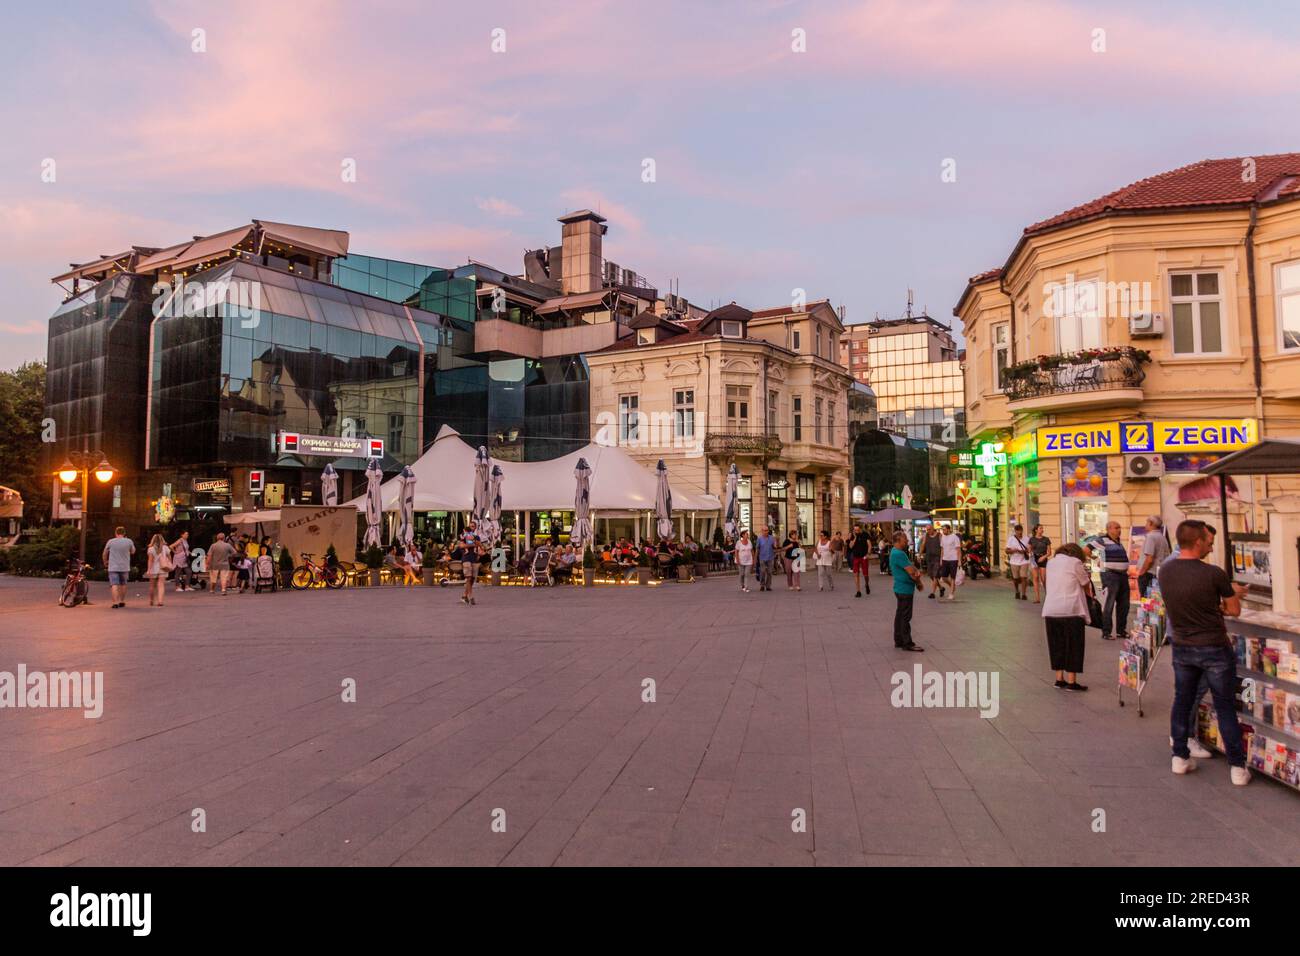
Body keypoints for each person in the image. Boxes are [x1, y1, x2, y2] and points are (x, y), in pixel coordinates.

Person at [1159, 520, 1250, 786]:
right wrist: (1219, 607)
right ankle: (1237, 767)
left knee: (1182, 700)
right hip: (1214, 647)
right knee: (1225, 706)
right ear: (1198, 541)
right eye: (1208, 542)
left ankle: (1179, 757)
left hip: (1182, 647)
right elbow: (1234, 610)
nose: (1210, 546)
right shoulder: (1214, 573)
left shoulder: (1165, 571)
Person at [1041, 542, 1092, 691]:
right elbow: (1085, 582)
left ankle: (1059, 679)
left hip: (1051, 609)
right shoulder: (1075, 562)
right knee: (1073, 645)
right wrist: (1090, 597)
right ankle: (1071, 682)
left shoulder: (1051, 563)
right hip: (1071, 610)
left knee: (1056, 644)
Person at [1091, 521, 1131, 638]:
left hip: (1122, 575)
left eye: (1120, 527)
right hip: (1110, 575)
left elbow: (1105, 554)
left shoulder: (1118, 541)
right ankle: (1106, 631)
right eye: (1117, 527)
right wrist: (1096, 559)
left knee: (1124, 604)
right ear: (1109, 529)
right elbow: (1086, 550)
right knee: (1109, 603)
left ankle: (1121, 630)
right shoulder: (1102, 540)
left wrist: (1102, 559)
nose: (1119, 530)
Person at [888, 532, 924, 652]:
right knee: (905, 616)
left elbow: (910, 567)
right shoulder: (899, 554)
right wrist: (918, 581)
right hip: (905, 589)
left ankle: (898, 640)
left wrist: (915, 570)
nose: (907, 542)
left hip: (899, 588)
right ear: (898, 540)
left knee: (900, 615)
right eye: (905, 540)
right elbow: (911, 572)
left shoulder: (895, 552)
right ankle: (907, 642)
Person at [102, 526, 136, 609]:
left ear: (116, 533)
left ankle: (115, 602)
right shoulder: (129, 541)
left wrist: (105, 562)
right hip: (124, 566)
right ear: (124, 533)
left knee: (114, 584)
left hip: (113, 566)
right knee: (123, 584)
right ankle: (122, 601)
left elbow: (105, 553)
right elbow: (133, 551)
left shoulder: (111, 541)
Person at [1136, 515, 1170, 597]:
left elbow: (1149, 558)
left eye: (1147, 522)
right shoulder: (1162, 537)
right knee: (1154, 601)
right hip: (1158, 573)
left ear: (1151, 523)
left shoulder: (1151, 537)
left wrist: (1142, 572)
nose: (1146, 524)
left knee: (1146, 601)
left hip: (1149, 573)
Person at [1005, 523, 1031, 601]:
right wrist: (1014, 550)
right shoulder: (1011, 539)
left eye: (1021, 531)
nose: (1019, 533)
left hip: (1024, 561)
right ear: (1015, 532)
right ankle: (1017, 591)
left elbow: (1029, 549)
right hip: (1014, 561)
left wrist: (1024, 551)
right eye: (1018, 531)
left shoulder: (1026, 538)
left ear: (1022, 531)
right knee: (1016, 579)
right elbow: (1006, 550)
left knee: (1024, 577)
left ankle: (1023, 594)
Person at [937, 523, 962, 601]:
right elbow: (942, 549)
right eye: (942, 529)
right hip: (945, 559)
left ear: (948, 529)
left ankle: (951, 594)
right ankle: (952, 586)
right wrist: (941, 559)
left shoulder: (955, 537)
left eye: (944, 529)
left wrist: (959, 561)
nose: (943, 531)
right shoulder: (943, 537)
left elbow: (958, 550)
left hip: (953, 559)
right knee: (944, 578)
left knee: (953, 577)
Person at [145, 533, 171, 607]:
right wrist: (169, 564)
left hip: (153, 569)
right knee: (161, 585)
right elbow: (169, 557)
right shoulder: (165, 548)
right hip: (163, 568)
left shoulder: (151, 549)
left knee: (152, 586)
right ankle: (160, 601)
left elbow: (150, 560)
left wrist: (148, 570)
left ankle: (151, 601)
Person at [454, 537, 481, 605]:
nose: (472, 527)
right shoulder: (464, 537)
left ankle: (464, 596)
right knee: (469, 578)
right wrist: (474, 544)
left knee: (472, 579)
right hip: (466, 560)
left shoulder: (476, 537)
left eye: (473, 526)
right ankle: (471, 597)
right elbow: (461, 545)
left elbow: (480, 545)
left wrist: (477, 546)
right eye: (471, 526)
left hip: (474, 560)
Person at [1029, 525, 1052, 603]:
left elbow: (1049, 552)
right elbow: (1029, 549)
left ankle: (1048, 596)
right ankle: (1037, 598)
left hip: (1043, 559)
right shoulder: (1032, 539)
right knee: (1035, 578)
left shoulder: (1046, 539)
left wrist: (1043, 557)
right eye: (1040, 528)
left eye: (1042, 528)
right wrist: (1030, 552)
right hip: (1034, 559)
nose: (1042, 530)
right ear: (1036, 530)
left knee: (1044, 579)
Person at [848, 524, 872, 598]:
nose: (856, 531)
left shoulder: (865, 534)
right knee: (856, 574)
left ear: (860, 529)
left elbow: (869, 545)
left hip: (863, 556)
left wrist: (868, 553)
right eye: (855, 530)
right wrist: (855, 537)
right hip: (856, 557)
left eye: (858, 530)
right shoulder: (853, 535)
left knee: (865, 574)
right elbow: (850, 546)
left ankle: (866, 584)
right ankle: (858, 591)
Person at [921, 525, 943, 598]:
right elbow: (923, 545)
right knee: (931, 575)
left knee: (935, 575)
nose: (928, 531)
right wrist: (919, 554)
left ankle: (933, 593)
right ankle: (941, 588)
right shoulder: (926, 535)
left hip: (937, 557)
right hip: (929, 558)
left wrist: (943, 558)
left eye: (929, 529)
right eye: (927, 530)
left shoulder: (939, 535)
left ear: (933, 529)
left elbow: (943, 547)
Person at [755, 527, 777, 592]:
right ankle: (762, 585)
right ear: (762, 531)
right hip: (762, 557)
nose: (766, 532)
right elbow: (757, 549)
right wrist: (755, 558)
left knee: (770, 572)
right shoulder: (759, 539)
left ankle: (768, 586)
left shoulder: (772, 538)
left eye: (767, 530)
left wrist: (775, 543)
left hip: (770, 557)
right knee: (763, 571)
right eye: (764, 530)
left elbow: (774, 547)